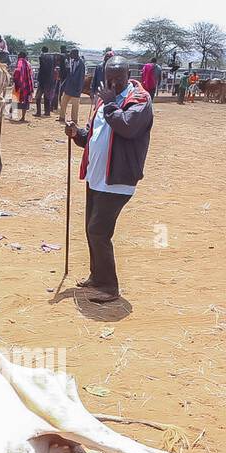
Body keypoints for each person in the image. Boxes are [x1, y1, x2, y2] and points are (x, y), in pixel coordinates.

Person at [63, 62, 153, 305]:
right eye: (109, 78)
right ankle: (97, 275)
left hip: (118, 179)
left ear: (128, 75)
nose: (113, 83)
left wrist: (111, 101)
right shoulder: (103, 99)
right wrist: (78, 134)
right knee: (91, 230)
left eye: (118, 78)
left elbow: (126, 126)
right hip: (96, 177)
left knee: (99, 231)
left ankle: (109, 286)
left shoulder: (139, 99)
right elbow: (94, 136)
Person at [58, 47, 86, 124]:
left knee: (75, 105)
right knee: (63, 102)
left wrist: (79, 89)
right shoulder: (72, 62)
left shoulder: (81, 64)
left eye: (71, 54)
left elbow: (81, 77)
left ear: (75, 54)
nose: (70, 55)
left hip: (76, 88)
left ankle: (74, 120)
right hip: (69, 87)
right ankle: (62, 117)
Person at [12, 50, 33, 122]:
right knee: (25, 100)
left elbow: (18, 70)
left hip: (20, 84)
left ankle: (12, 115)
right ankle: (23, 117)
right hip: (27, 86)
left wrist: (15, 78)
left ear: (19, 56)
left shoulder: (20, 62)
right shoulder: (28, 63)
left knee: (15, 98)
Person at [35, 47, 55, 116]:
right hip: (49, 80)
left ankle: (38, 112)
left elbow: (42, 67)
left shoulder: (42, 57)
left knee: (38, 97)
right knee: (47, 97)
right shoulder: (51, 58)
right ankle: (47, 112)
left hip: (42, 80)